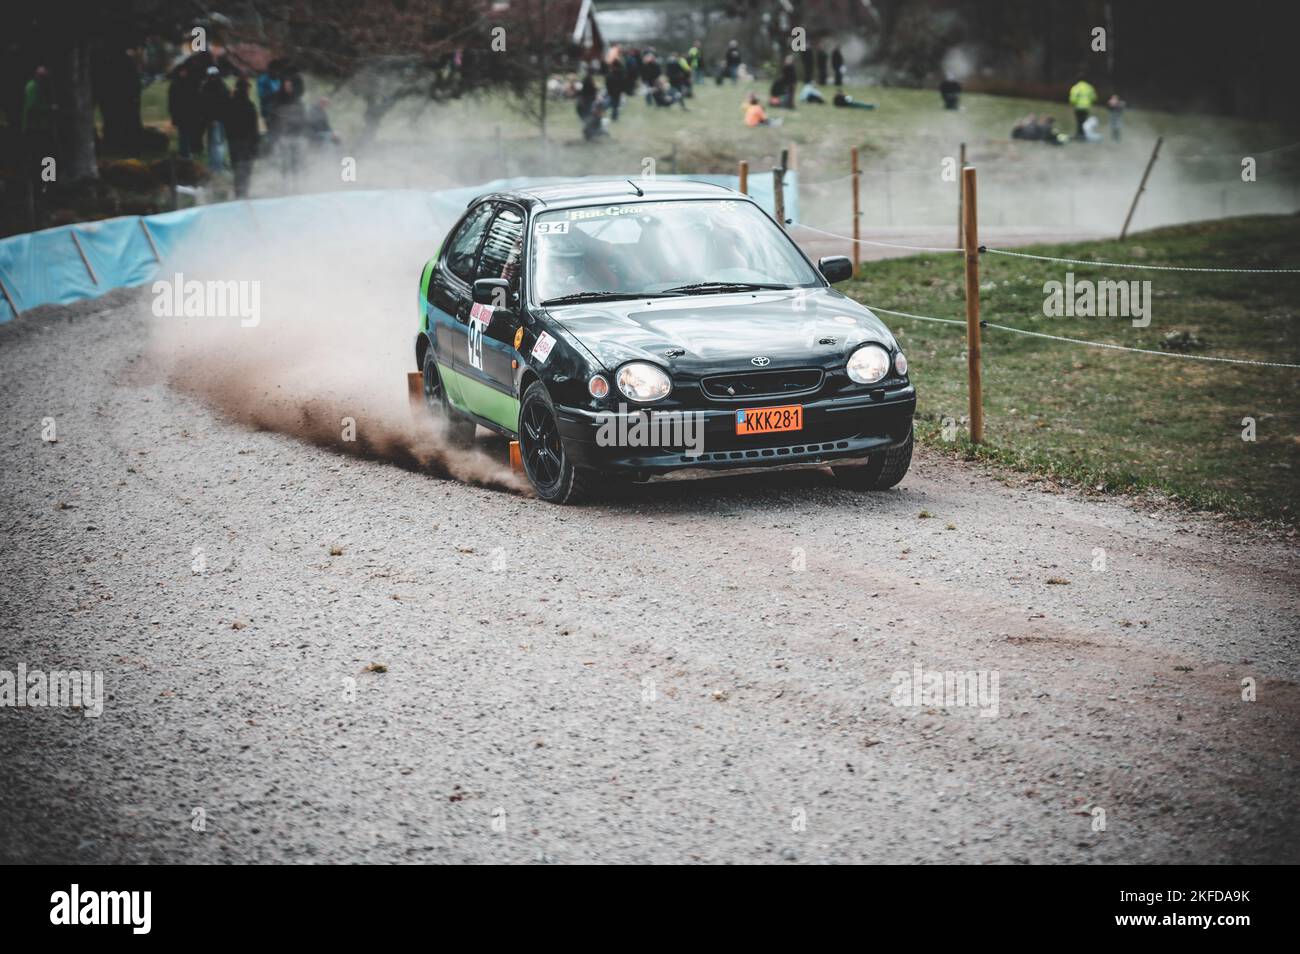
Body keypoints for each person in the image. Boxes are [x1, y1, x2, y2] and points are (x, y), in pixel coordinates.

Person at [21, 65, 54, 194]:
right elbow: (32, 107)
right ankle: (40, 185)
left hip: (40, 127)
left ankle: (46, 183)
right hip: (34, 128)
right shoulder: (32, 87)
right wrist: (49, 109)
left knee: (47, 156)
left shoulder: (38, 87)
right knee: (42, 156)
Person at [225, 77, 259, 197]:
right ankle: (243, 192)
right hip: (246, 142)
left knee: (237, 168)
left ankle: (239, 192)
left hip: (234, 141)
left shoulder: (230, 103)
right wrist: (255, 144)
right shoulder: (249, 105)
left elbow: (226, 124)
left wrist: (229, 138)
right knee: (246, 168)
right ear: (246, 89)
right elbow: (254, 128)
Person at [168, 63, 203, 158]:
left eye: (185, 71)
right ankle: (185, 153)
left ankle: (188, 151)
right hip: (181, 114)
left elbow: (195, 98)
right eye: (182, 71)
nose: (184, 72)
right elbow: (172, 101)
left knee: (188, 133)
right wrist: (173, 114)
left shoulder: (189, 83)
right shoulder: (176, 84)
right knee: (183, 134)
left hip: (189, 113)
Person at [199, 65, 229, 171]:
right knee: (215, 143)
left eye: (214, 76)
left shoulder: (222, 87)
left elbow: (226, 102)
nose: (213, 78)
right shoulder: (206, 88)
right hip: (213, 120)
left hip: (221, 119)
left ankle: (217, 164)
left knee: (218, 143)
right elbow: (205, 106)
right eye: (211, 76)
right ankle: (216, 166)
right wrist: (210, 119)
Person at [1068, 74, 1098, 140]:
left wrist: (1073, 103)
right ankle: (1083, 134)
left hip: (1078, 107)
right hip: (1086, 108)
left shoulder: (1076, 87)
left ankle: (1079, 134)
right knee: (1084, 121)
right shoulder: (1089, 87)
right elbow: (1094, 98)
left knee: (1079, 121)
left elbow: (1072, 99)